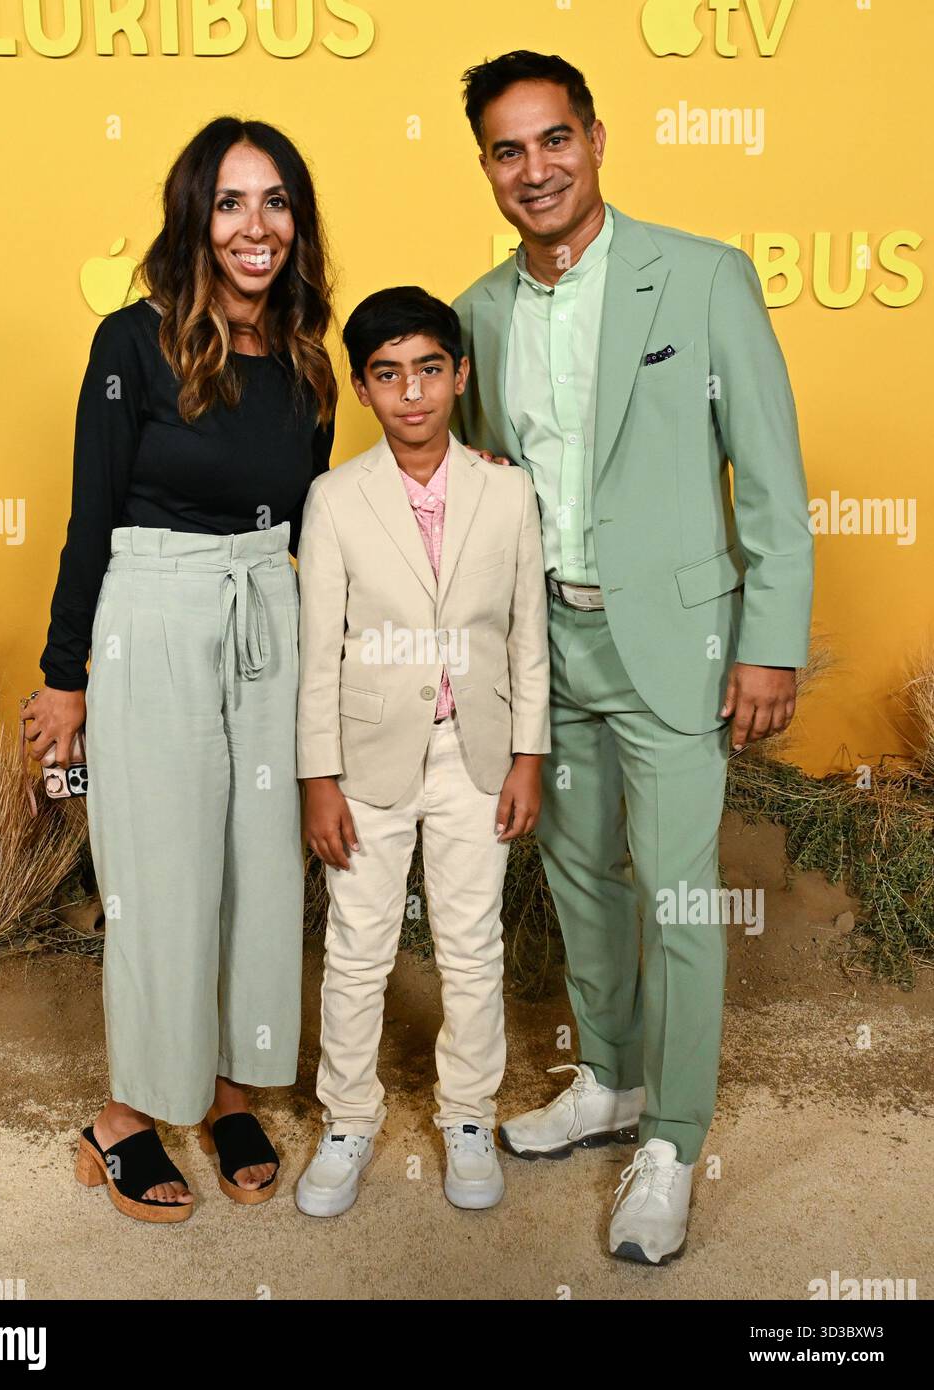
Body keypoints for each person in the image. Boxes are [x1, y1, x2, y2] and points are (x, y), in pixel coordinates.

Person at [450, 51, 814, 1263]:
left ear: (595, 139)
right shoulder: (477, 316)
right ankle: (602, 1078)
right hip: (546, 650)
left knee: (676, 889)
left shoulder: (702, 278)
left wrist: (767, 643)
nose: (534, 168)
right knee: (577, 884)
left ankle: (669, 1136)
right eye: (508, 149)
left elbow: (765, 474)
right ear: (487, 168)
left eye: (553, 140)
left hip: (678, 640)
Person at [22, 117, 337, 1223]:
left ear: (297, 223)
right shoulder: (131, 343)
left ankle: (224, 1088)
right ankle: (125, 1114)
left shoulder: (306, 354)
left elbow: (320, 514)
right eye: (231, 203)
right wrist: (67, 678)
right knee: (160, 875)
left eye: (277, 202)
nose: (257, 227)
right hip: (152, 609)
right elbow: (91, 513)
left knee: (257, 867)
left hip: (268, 610)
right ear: (195, 218)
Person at [293, 286, 550, 1216]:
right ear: (363, 389)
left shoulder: (506, 490)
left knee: (471, 945)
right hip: (365, 762)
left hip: (475, 755)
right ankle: (348, 1119)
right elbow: (318, 649)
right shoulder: (333, 499)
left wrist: (528, 756)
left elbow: (528, 635)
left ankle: (469, 1114)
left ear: (459, 375)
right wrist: (317, 779)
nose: (412, 393)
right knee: (359, 947)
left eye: (430, 371)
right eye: (389, 375)